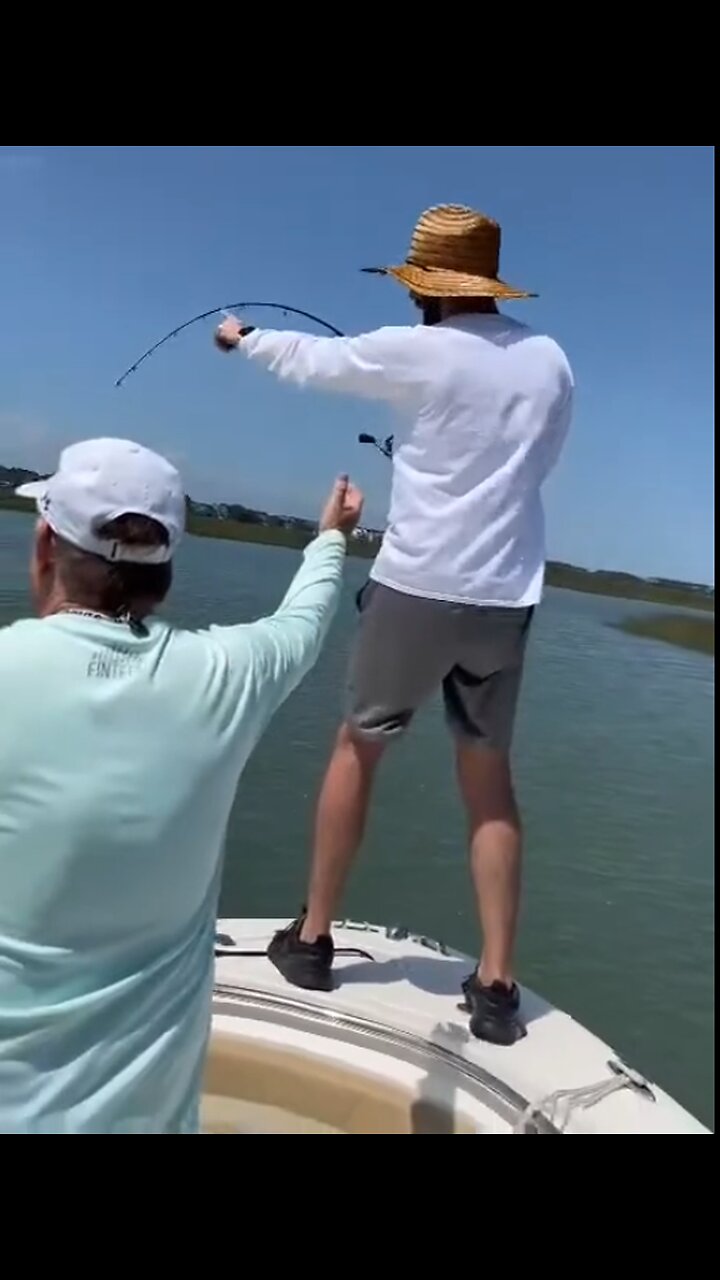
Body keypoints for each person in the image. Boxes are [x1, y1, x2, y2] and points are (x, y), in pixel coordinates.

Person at [215, 203, 574, 1046]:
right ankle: (496, 986)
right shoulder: (551, 360)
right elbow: (538, 462)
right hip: (505, 596)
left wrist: (242, 337)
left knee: (357, 748)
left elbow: (315, 360)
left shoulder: (416, 348)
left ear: (427, 286)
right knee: (488, 781)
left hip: (416, 587)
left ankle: (312, 940)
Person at [0, 437, 362, 1133]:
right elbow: (303, 623)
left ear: (46, 545)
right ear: (163, 573)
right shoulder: (226, 677)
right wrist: (330, 539)